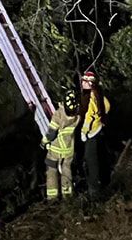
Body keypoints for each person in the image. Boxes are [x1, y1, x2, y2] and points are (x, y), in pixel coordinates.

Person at [42, 89, 79, 201]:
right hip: (68, 150)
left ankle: (52, 197)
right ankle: (67, 196)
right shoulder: (77, 116)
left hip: (55, 150)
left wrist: (43, 142)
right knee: (66, 171)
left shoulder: (59, 114)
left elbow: (51, 133)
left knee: (51, 171)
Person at [79, 68, 111, 200]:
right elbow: (107, 105)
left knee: (91, 161)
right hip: (98, 130)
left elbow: (88, 118)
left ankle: (94, 191)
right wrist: (101, 118)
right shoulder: (98, 94)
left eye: (84, 81)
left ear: (90, 83)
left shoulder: (90, 98)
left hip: (91, 133)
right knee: (97, 158)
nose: (82, 83)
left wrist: (84, 132)